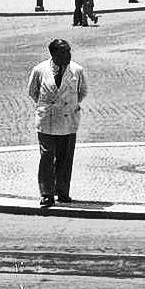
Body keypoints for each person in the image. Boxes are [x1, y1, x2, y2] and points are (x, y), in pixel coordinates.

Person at [26, 39, 87, 209]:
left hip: (68, 119)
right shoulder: (39, 70)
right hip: (47, 120)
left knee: (65, 156)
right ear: (54, 54)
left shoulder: (77, 70)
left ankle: (62, 191)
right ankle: (46, 193)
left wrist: (70, 105)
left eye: (69, 51)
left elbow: (82, 92)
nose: (68, 55)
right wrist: (47, 106)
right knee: (47, 156)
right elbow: (33, 91)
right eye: (64, 52)